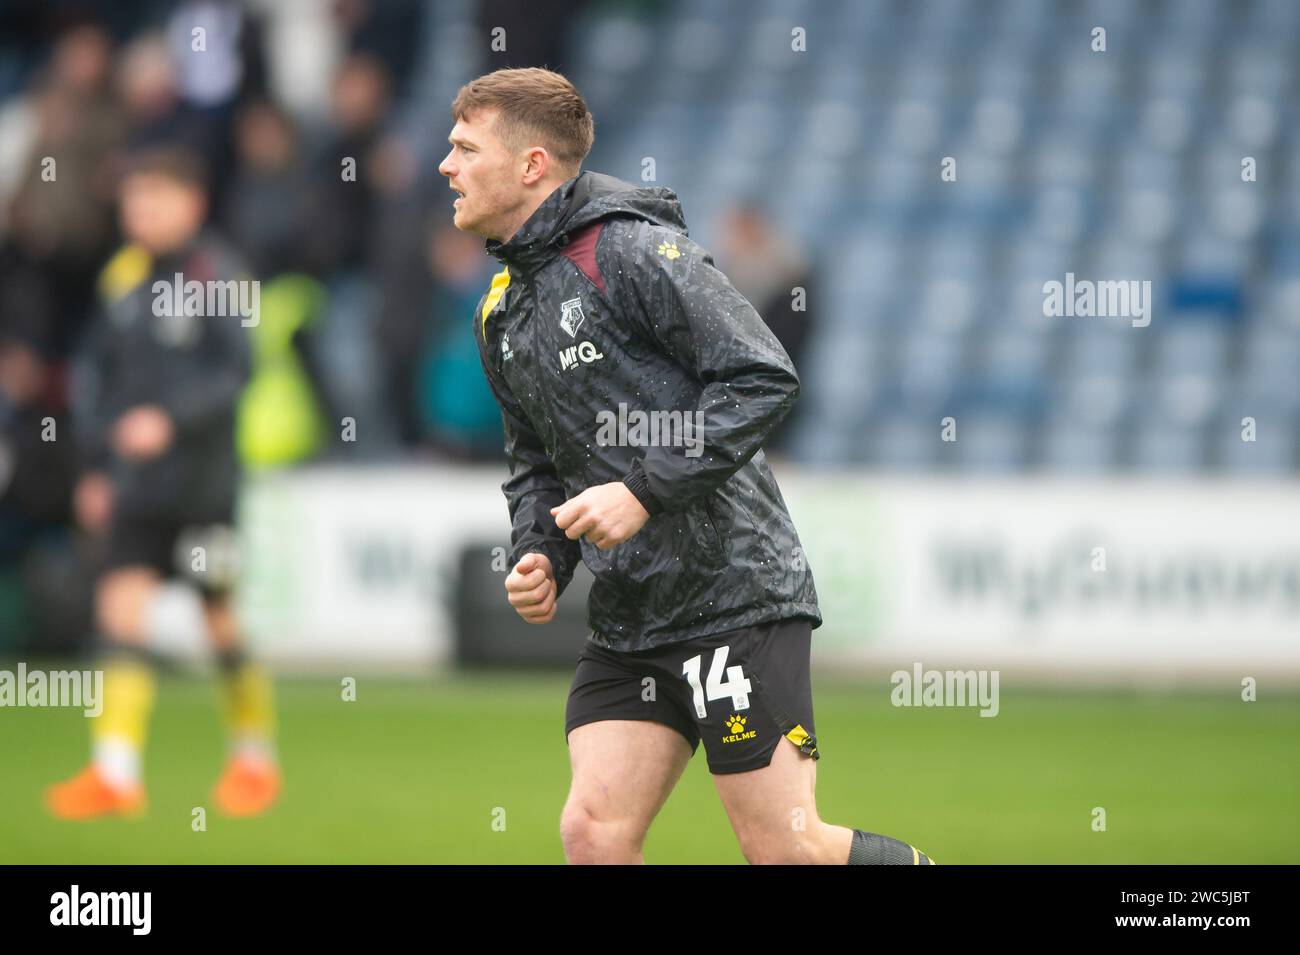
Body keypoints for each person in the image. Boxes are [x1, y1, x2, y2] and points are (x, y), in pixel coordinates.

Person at [439, 67, 935, 865]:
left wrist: (640, 491)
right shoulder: (501, 308)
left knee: (788, 850)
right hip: (631, 616)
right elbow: (536, 459)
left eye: (464, 146)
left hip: (730, 598)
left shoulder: (632, 250)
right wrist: (542, 549)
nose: (446, 164)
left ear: (531, 164)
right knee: (593, 833)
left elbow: (764, 376)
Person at [46, 146, 280, 820]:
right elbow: (94, 377)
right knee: (119, 612)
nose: (141, 213)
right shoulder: (121, 280)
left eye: (154, 199)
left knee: (219, 618)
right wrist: (93, 465)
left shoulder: (222, 275)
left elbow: (239, 373)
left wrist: (169, 421)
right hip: (136, 489)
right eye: (133, 201)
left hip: (205, 487)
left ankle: (253, 760)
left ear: (192, 204)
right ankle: (116, 774)